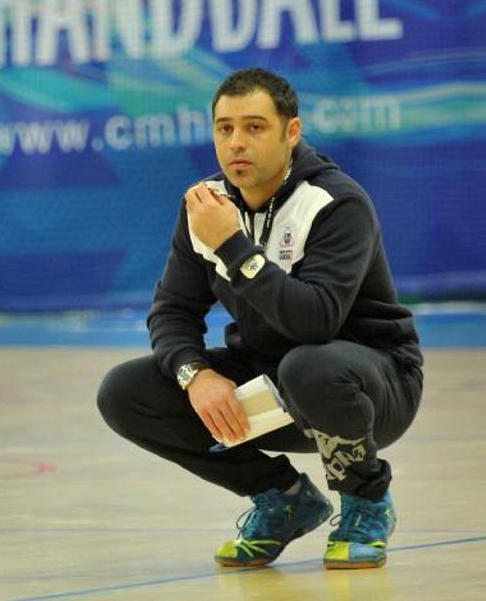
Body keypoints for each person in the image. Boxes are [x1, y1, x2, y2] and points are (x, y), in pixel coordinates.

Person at [97, 68, 422, 570]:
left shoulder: (336, 203)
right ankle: (283, 497)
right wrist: (196, 373)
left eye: (254, 127)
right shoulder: (205, 205)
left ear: (291, 132)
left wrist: (234, 247)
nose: (236, 143)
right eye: (224, 129)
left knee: (310, 364)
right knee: (124, 391)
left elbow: (315, 322)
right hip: (272, 386)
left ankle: (365, 501)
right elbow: (172, 312)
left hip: (372, 386)